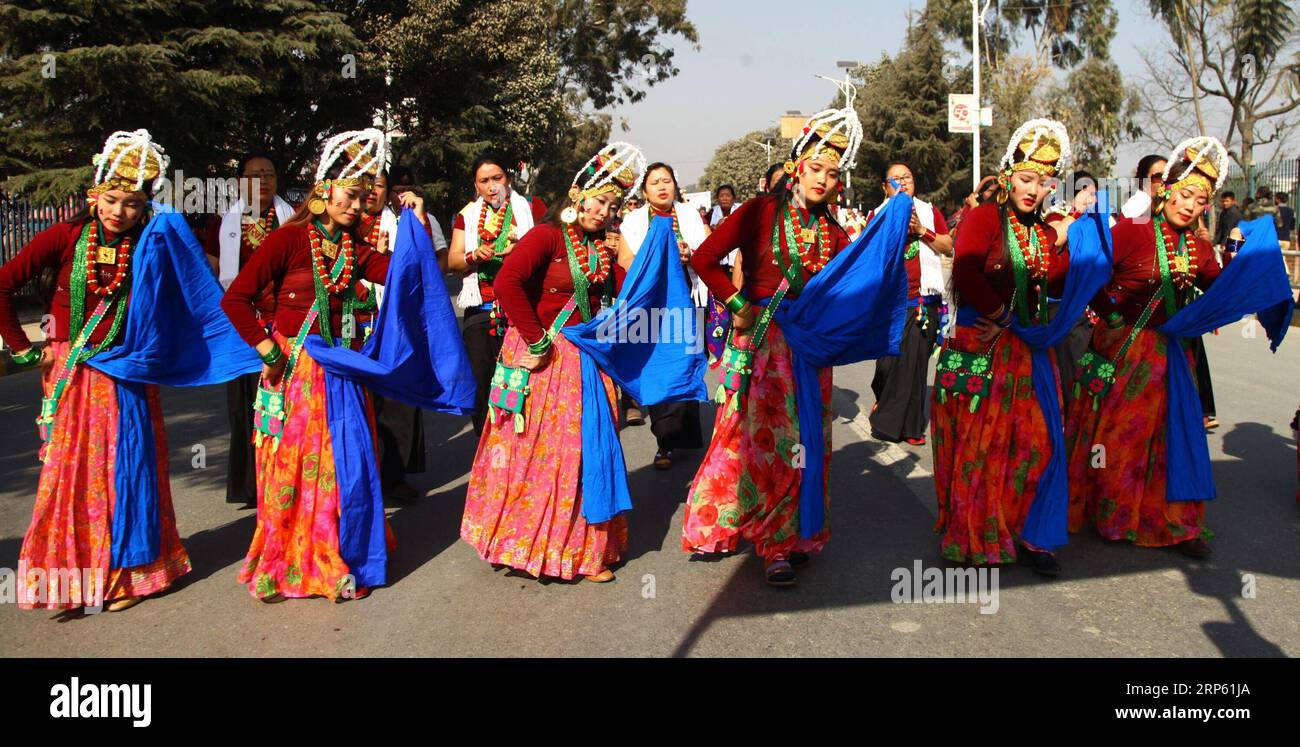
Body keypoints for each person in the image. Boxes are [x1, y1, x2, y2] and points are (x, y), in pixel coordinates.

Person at [0, 129, 260, 611]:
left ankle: (131, 576)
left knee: (130, 470)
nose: (120, 212)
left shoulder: (153, 240)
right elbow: (4, 284)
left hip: (129, 375)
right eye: (112, 199)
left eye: (133, 204)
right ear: (94, 194)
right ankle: (71, 580)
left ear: (146, 207)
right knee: (72, 477)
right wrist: (25, 351)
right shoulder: (66, 235)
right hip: (73, 377)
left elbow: (195, 290)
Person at [223, 128, 468, 602]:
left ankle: (344, 548)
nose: (358, 206)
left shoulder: (353, 250)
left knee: (349, 461)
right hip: (296, 372)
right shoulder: (287, 241)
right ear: (323, 189)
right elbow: (236, 299)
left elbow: (405, 274)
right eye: (350, 196)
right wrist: (266, 348)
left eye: (364, 198)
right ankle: (302, 558)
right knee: (299, 466)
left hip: (344, 370)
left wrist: (413, 221)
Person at [683, 82, 881, 588]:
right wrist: (737, 304)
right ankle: (772, 545)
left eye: (833, 173)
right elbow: (705, 259)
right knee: (768, 442)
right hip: (766, 344)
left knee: (809, 442)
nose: (824, 179)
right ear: (796, 167)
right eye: (816, 168)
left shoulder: (835, 232)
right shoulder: (758, 211)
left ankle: (795, 532)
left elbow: (850, 291)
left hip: (810, 354)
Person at [1067, 135, 1293, 557]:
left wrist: (1250, 263)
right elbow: (1087, 270)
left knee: (1171, 439)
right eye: (1185, 194)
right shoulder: (1131, 232)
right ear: (1166, 190)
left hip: (1170, 357)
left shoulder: (1200, 248)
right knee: (1119, 439)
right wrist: (1111, 314)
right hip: (1122, 351)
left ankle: (1170, 520)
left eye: (1200, 200)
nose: (1190, 205)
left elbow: (1221, 288)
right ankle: (1115, 515)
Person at [459, 142, 648, 583]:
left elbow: (624, 292)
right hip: (541, 356)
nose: (604, 211)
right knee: (534, 455)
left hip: (585, 357)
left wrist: (621, 255)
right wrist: (536, 339)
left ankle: (580, 548)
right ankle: (522, 540)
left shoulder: (602, 245)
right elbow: (507, 283)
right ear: (578, 195)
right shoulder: (546, 236)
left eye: (613, 205)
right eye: (600, 200)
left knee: (584, 453)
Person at [932, 119, 1076, 577]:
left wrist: (1067, 245)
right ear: (1009, 174)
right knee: (983, 447)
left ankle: (1030, 532)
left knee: (1038, 443)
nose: (1034, 190)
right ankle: (980, 531)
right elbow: (969, 271)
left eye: (1044, 182)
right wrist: (1002, 315)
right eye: (1026, 179)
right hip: (985, 344)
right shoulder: (984, 218)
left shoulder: (1044, 230)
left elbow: (1053, 284)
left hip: (1029, 349)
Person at [203, 153, 296, 508]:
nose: (263, 180)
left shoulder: (294, 220)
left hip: (284, 322)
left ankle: (285, 474)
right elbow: (211, 271)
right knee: (245, 405)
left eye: (269, 174)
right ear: (240, 180)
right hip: (243, 325)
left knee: (283, 400)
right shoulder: (223, 224)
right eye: (254, 174)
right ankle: (252, 483)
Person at [616, 161, 709, 469]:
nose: (662, 186)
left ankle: (686, 434)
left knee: (686, 366)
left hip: (689, 301)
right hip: (651, 307)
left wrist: (690, 256)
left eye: (666, 180)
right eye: (655, 182)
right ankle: (665, 442)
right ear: (645, 190)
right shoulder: (633, 220)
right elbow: (625, 259)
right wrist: (653, 264)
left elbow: (709, 251)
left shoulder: (689, 216)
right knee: (659, 368)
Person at [447, 154, 547, 434]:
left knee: (526, 381)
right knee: (483, 383)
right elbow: (452, 262)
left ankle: (526, 446)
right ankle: (488, 450)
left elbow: (552, 248)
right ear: (475, 185)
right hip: (482, 309)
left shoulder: (531, 207)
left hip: (525, 307)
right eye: (484, 181)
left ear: (509, 179)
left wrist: (523, 249)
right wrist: (472, 255)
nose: (492, 186)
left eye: (497, 178)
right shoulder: (467, 215)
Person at [866, 160, 953, 446]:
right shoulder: (876, 215)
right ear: (884, 187)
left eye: (907, 178)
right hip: (890, 303)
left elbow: (947, 246)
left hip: (922, 301)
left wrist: (920, 231)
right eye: (895, 179)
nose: (902, 183)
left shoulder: (929, 212)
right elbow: (870, 256)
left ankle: (910, 427)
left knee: (915, 365)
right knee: (888, 365)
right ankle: (884, 403)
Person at [1043, 170, 1101, 413]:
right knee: (1070, 370)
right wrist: (1076, 212)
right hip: (1061, 307)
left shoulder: (1095, 222)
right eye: (1088, 194)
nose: (1094, 200)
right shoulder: (1057, 216)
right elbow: (1054, 239)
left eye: (1096, 195)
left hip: (1087, 307)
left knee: (1084, 369)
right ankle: (1070, 424)